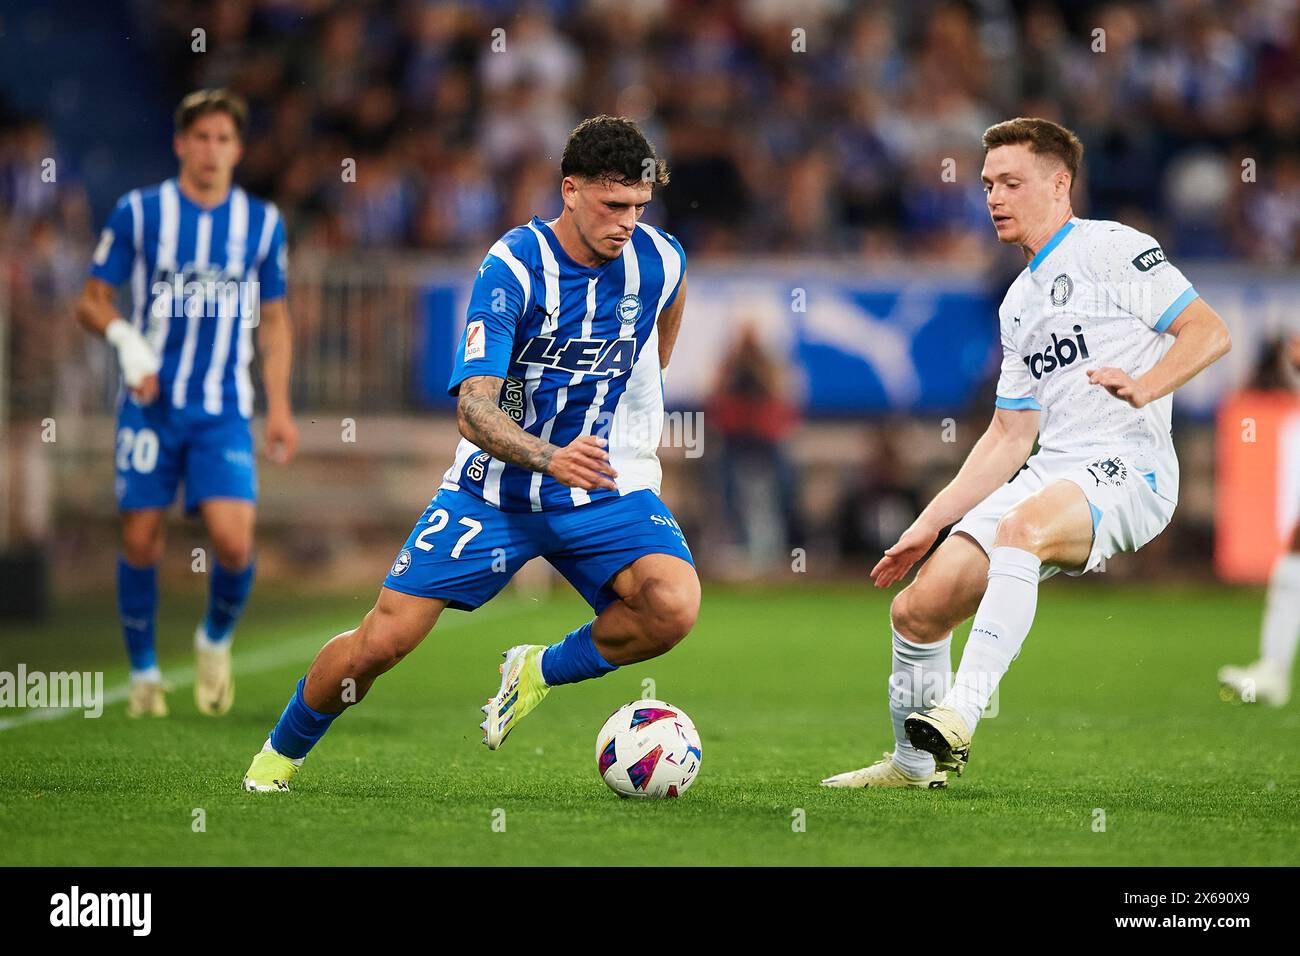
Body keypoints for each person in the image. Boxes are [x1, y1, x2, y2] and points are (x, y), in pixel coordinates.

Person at [243, 115, 698, 793]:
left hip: (600, 485)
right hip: (495, 492)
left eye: (638, 206)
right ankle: (277, 756)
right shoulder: (513, 266)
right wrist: (548, 457)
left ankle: (538, 670)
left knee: (672, 606)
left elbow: (669, 306)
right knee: (383, 643)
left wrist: (643, 391)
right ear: (570, 191)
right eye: (612, 205)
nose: (627, 222)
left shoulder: (660, 260)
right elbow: (475, 409)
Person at [822, 117, 1232, 789]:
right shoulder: (1017, 302)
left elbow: (1208, 331)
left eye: (1011, 183)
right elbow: (1009, 437)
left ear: (1059, 183)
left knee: (1023, 530)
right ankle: (913, 765)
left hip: (1132, 466)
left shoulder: (1111, 249)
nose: (994, 198)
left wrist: (1147, 384)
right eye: (987, 185)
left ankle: (961, 712)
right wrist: (929, 523)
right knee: (918, 610)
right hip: (1054, 469)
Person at [75, 89, 298, 718]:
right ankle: (144, 673)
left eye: (223, 139)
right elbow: (91, 299)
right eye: (200, 137)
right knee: (142, 537)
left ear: (239, 149)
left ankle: (214, 639)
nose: (211, 150)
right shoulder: (140, 213)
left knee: (234, 543)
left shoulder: (261, 223)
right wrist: (124, 341)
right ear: (180, 144)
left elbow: (275, 321)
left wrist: (279, 407)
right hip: (149, 405)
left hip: (223, 406)